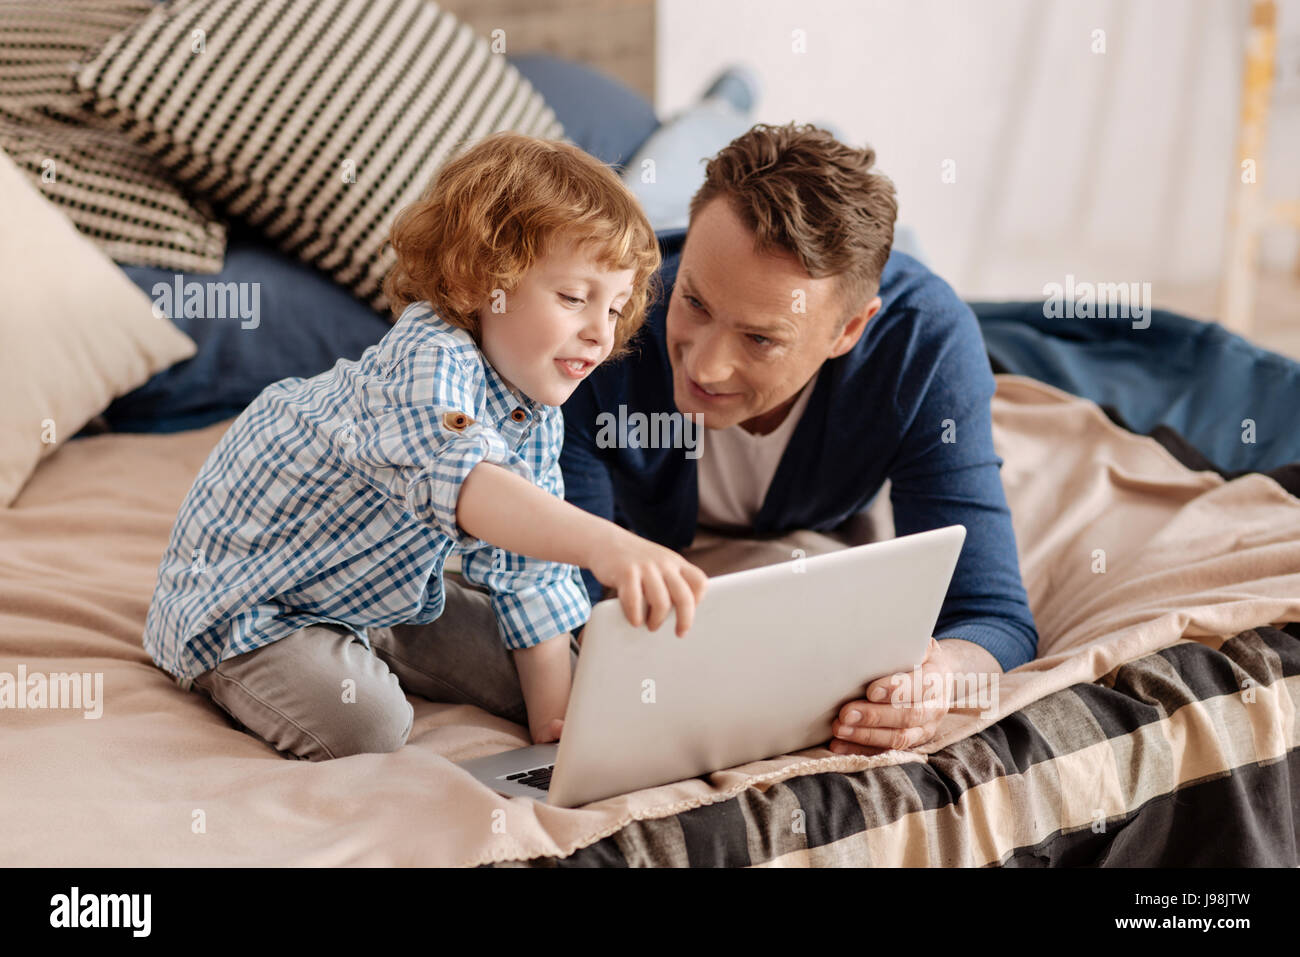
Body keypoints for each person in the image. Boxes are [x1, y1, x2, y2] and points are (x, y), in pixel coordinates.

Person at [142, 132, 707, 760]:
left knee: (556, 676)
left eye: (616, 307)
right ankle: (264, 662)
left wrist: (558, 731)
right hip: (256, 601)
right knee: (367, 726)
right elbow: (466, 482)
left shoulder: (537, 407)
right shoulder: (426, 355)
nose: (600, 335)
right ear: (479, 279)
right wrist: (608, 544)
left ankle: (373, 638)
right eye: (574, 298)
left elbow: (531, 574)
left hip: (376, 585)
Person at [561, 122, 1040, 753]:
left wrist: (937, 682)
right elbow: (575, 610)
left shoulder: (924, 346)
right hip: (666, 230)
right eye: (695, 304)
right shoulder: (604, 328)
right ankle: (715, 109)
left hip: (881, 290)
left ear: (849, 333)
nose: (704, 367)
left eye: (759, 339)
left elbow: (993, 616)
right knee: (646, 187)